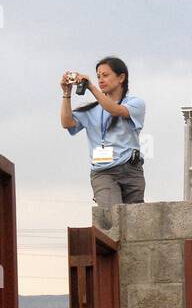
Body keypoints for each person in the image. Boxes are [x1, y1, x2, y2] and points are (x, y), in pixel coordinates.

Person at [59, 57, 147, 206]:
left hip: (131, 169)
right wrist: (66, 93)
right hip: (103, 171)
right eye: (98, 76)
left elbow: (115, 110)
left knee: (135, 216)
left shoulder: (135, 103)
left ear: (121, 78)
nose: (100, 80)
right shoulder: (91, 109)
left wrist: (91, 87)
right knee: (111, 213)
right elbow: (67, 123)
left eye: (105, 75)